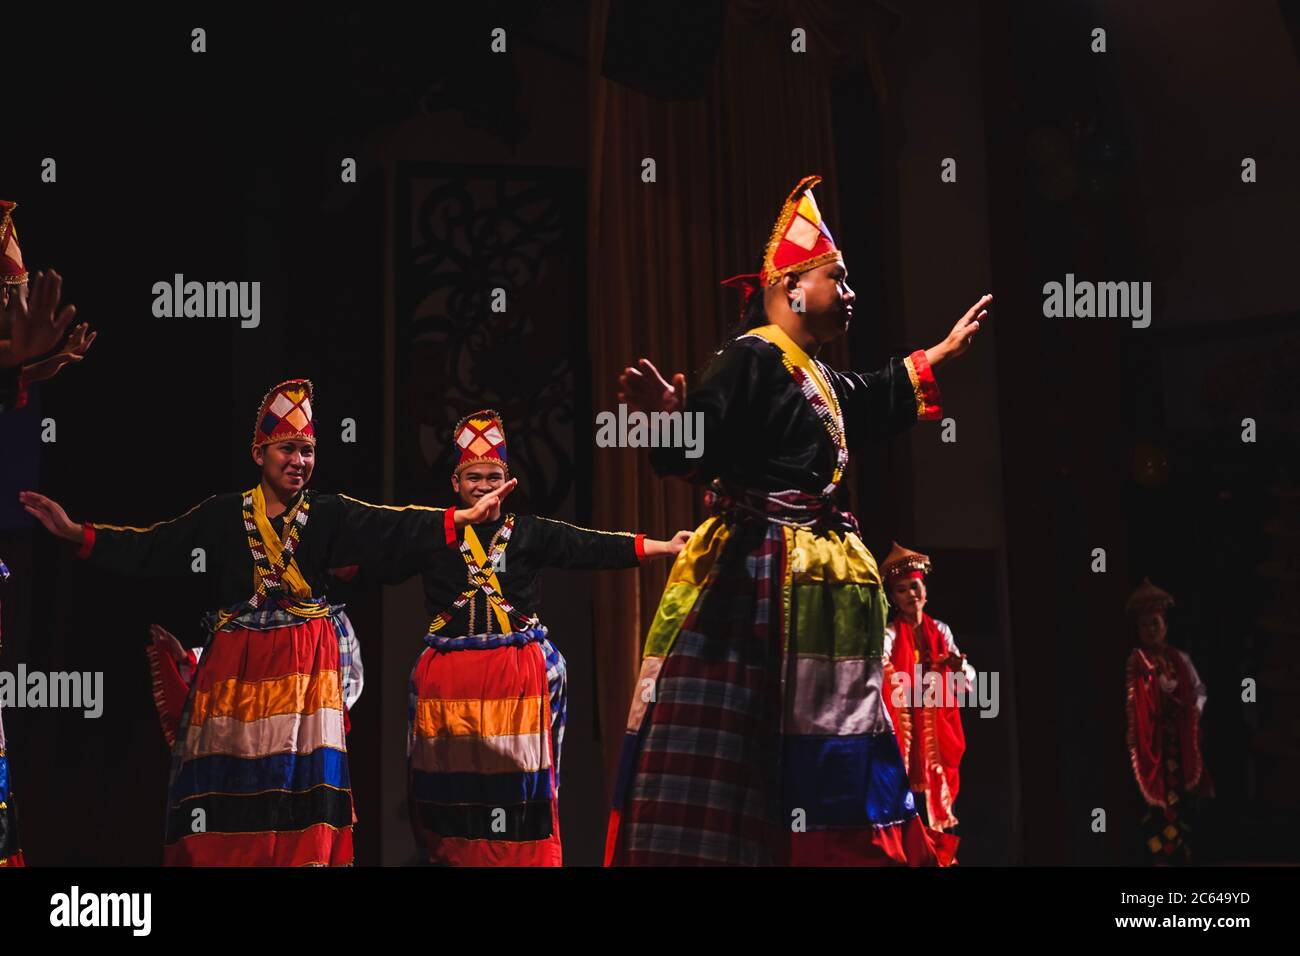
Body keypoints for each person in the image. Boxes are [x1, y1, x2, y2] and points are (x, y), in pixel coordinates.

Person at [605, 174, 990, 866]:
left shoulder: (816, 376)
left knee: (826, 742)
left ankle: (826, 844)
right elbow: (698, 448)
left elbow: (875, 397)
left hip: (814, 582)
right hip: (757, 577)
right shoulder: (749, 358)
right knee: (743, 737)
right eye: (836, 278)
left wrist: (941, 354)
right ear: (789, 289)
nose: (850, 293)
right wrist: (668, 415)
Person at [19, 378, 514, 866]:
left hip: (304, 675)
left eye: (307, 450)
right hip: (237, 675)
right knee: (227, 806)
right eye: (287, 449)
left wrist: (462, 519)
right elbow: (154, 546)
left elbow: (395, 524)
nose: (299, 461)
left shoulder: (328, 514)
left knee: (300, 804)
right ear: (259, 453)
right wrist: (77, 534)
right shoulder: (221, 517)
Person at [407, 409, 690, 865]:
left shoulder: (529, 534)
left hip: (515, 683)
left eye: (493, 476)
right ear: (455, 484)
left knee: (521, 790)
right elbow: (381, 544)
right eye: (473, 477)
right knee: (454, 793)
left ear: (508, 481)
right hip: (452, 685)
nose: (483, 486)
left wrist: (665, 547)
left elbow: (589, 545)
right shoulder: (433, 533)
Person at [880, 542, 976, 833]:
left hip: (936, 730)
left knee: (936, 810)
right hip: (907, 733)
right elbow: (876, 672)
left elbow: (969, 681)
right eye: (902, 589)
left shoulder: (941, 631)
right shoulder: (890, 634)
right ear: (893, 598)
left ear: (926, 591)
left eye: (916, 586)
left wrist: (958, 668)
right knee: (906, 811)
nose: (911, 594)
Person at [1125, 577, 1213, 865]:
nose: (1151, 630)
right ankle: (1157, 853)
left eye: (1155, 623)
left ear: (1165, 625)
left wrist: (1194, 711)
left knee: (1181, 797)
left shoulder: (1180, 658)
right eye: (1145, 625)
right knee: (1155, 802)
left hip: (1179, 740)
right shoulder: (1137, 661)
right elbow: (1136, 699)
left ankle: (1180, 851)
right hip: (1153, 743)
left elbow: (1199, 690)